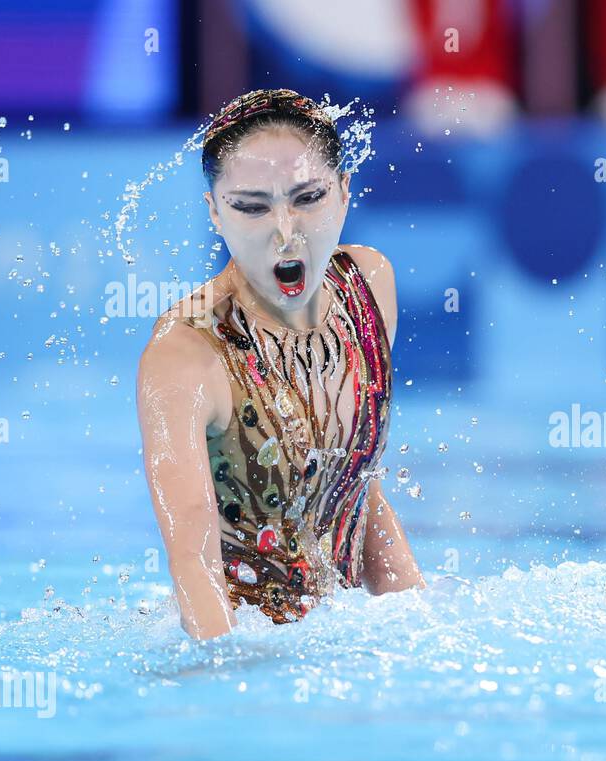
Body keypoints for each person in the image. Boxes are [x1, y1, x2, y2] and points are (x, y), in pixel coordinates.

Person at [137, 89, 425, 639]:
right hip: (248, 644)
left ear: (345, 193)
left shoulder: (368, 286)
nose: (284, 230)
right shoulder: (185, 354)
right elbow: (192, 558)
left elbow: (356, 485)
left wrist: (415, 614)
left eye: (308, 197)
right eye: (251, 206)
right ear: (215, 213)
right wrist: (230, 679)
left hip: (337, 642)